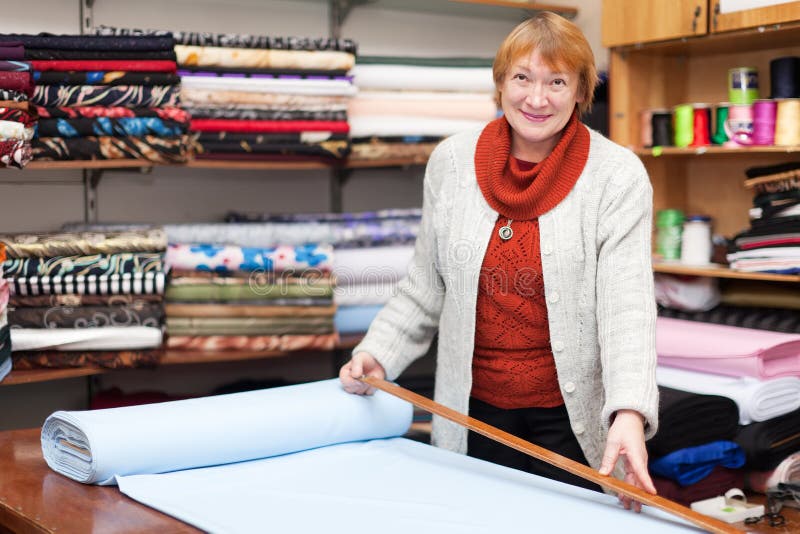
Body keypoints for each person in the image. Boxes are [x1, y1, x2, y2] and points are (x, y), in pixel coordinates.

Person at [340, 12, 658, 511]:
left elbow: (628, 308)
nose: (536, 98)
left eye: (557, 81)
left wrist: (629, 413)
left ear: (580, 91)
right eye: (522, 78)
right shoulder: (451, 162)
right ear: (500, 83)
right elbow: (425, 284)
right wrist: (378, 352)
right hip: (472, 415)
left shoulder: (617, 177)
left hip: (571, 424)